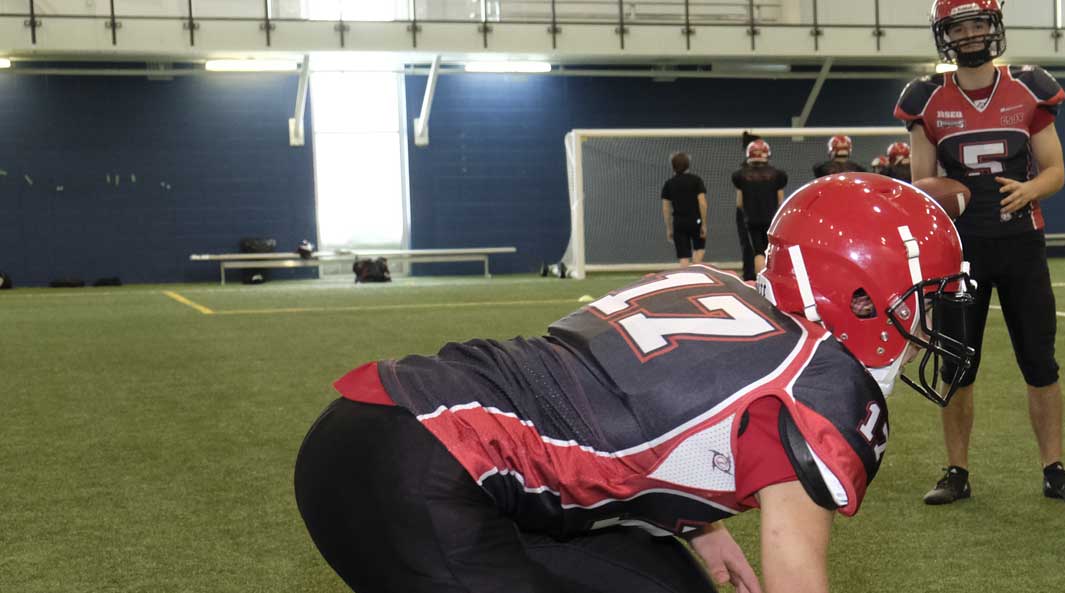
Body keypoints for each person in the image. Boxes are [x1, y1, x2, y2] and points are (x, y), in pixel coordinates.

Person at [295, 173, 979, 593]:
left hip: (392, 425)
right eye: (922, 299)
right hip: (422, 473)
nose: (929, 323)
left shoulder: (710, 282)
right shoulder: (821, 384)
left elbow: (623, 401)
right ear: (858, 297)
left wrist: (699, 525)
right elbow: (795, 573)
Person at [893, 0, 1065, 505]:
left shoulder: (1029, 87)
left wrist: (1030, 190)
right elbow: (921, 187)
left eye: (978, 23)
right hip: (960, 252)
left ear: (994, 26)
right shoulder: (926, 99)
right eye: (958, 28)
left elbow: (1055, 170)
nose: (970, 35)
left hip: (1022, 243)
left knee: (1040, 362)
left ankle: (1055, 469)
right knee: (956, 366)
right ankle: (956, 471)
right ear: (944, 35)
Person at [732, 140, 788, 281]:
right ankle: (771, 280)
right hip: (771, 219)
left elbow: (739, 203)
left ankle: (760, 282)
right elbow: (780, 201)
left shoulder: (741, 175)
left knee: (758, 252)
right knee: (771, 250)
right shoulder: (778, 175)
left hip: (751, 219)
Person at [662, 152, 709, 265]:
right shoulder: (696, 180)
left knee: (683, 256)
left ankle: (686, 274)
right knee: (699, 249)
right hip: (696, 220)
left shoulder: (669, 184)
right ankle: (696, 268)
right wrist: (703, 224)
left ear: (673, 166)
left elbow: (665, 208)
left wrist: (669, 228)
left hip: (679, 223)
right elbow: (702, 203)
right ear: (688, 165)